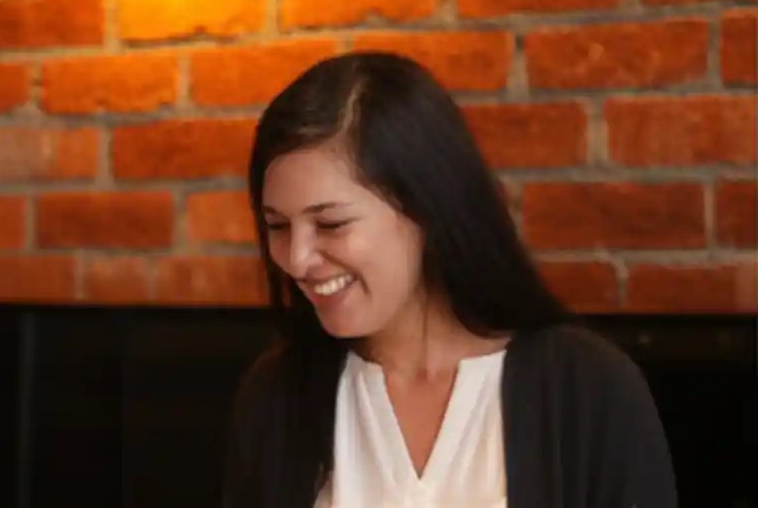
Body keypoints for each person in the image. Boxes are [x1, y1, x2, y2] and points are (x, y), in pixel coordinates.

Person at [221, 52, 676, 508]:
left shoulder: (589, 389)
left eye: (331, 224)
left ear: (426, 207)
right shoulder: (276, 396)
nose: (296, 260)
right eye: (277, 226)